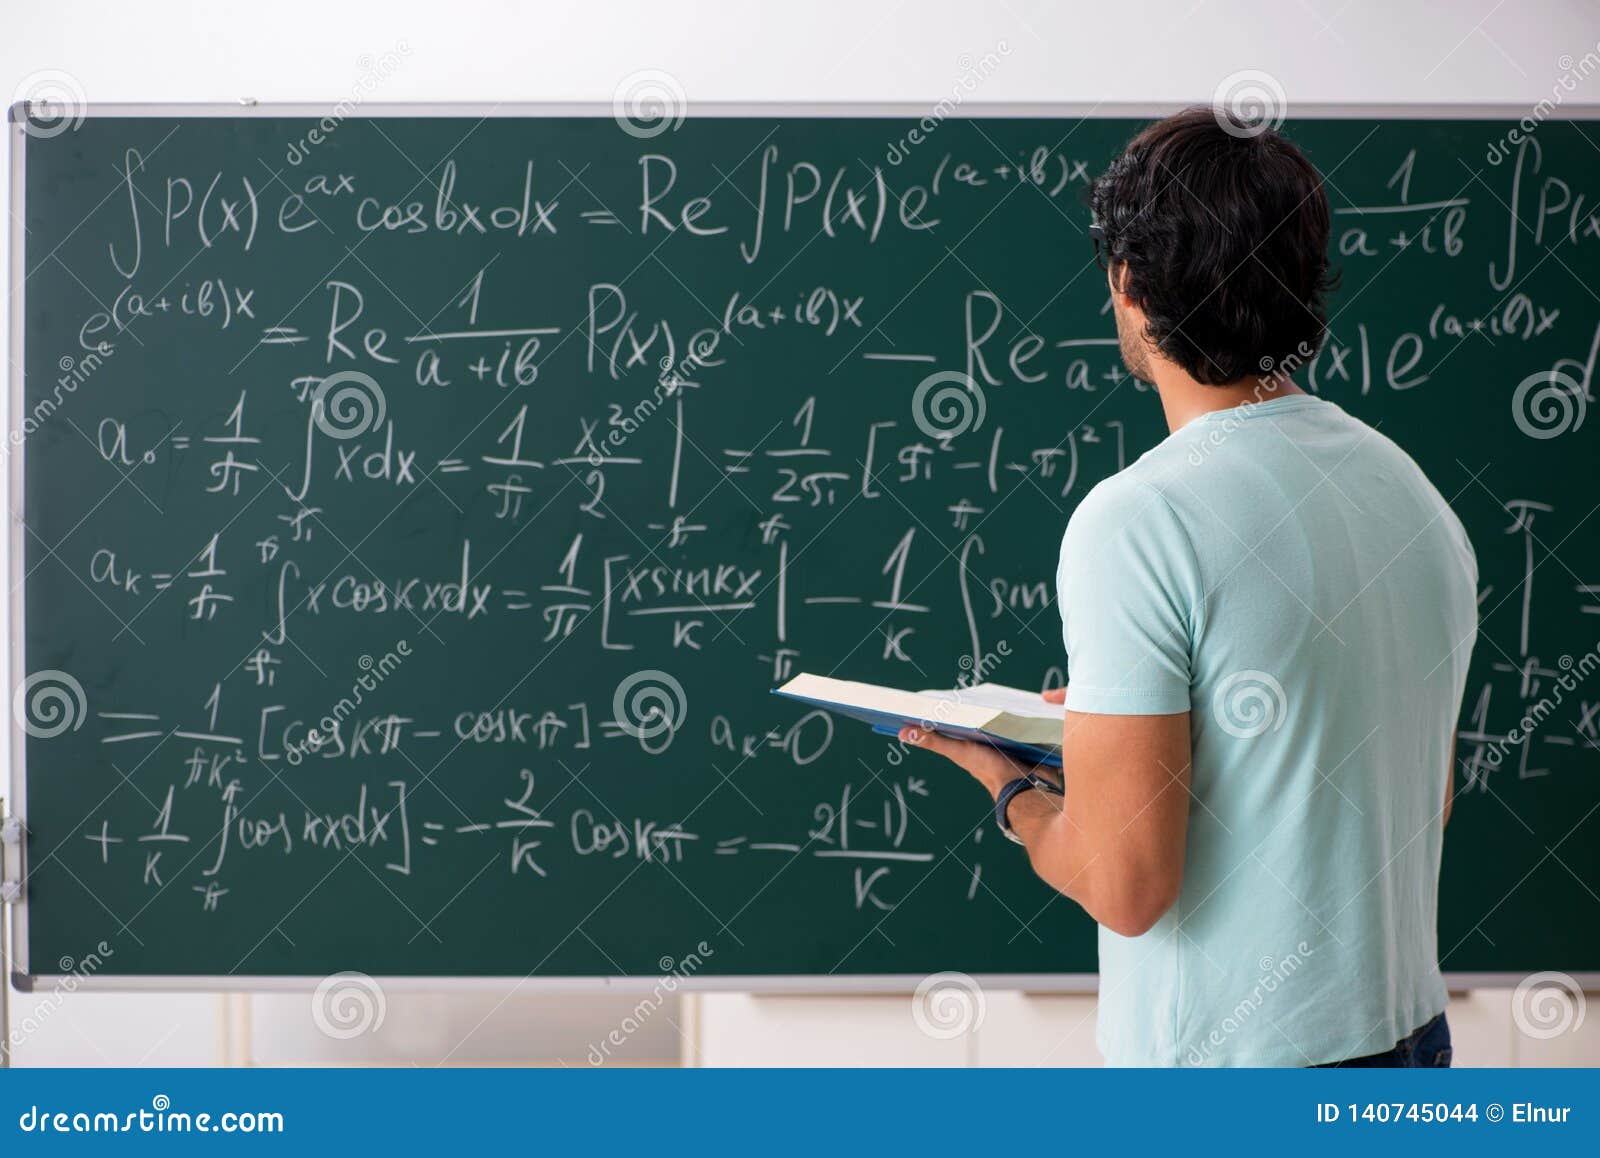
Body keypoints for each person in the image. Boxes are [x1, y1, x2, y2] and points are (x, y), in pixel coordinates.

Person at [900, 106, 1477, 1067]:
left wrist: (1016, 793)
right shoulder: (1410, 492)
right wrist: (1138, 730)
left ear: (1127, 284)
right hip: (1410, 1040)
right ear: (1305, 280)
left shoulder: (1141, 519)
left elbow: (1126, 887)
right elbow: (1420, 792)